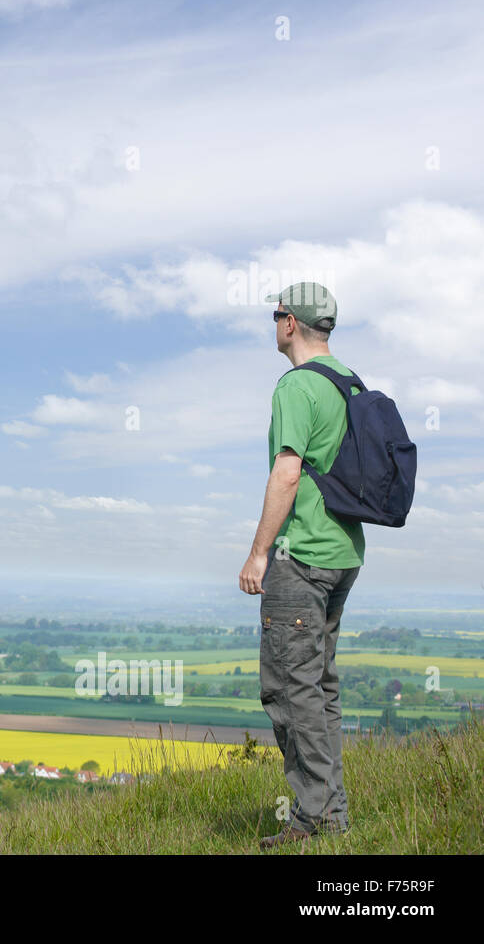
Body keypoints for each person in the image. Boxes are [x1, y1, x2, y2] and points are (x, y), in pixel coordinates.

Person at [238, 282, 362, 849]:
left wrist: (260, 551)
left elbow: (287, 473)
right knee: (320, 688)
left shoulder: (297, 386)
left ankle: (311, 821)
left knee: (290, 691)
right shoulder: (351, 385)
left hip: (301, 556)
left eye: (276, 314)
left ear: (290, 322)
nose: (274, 324)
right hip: (343, 554)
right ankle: (330, 815)